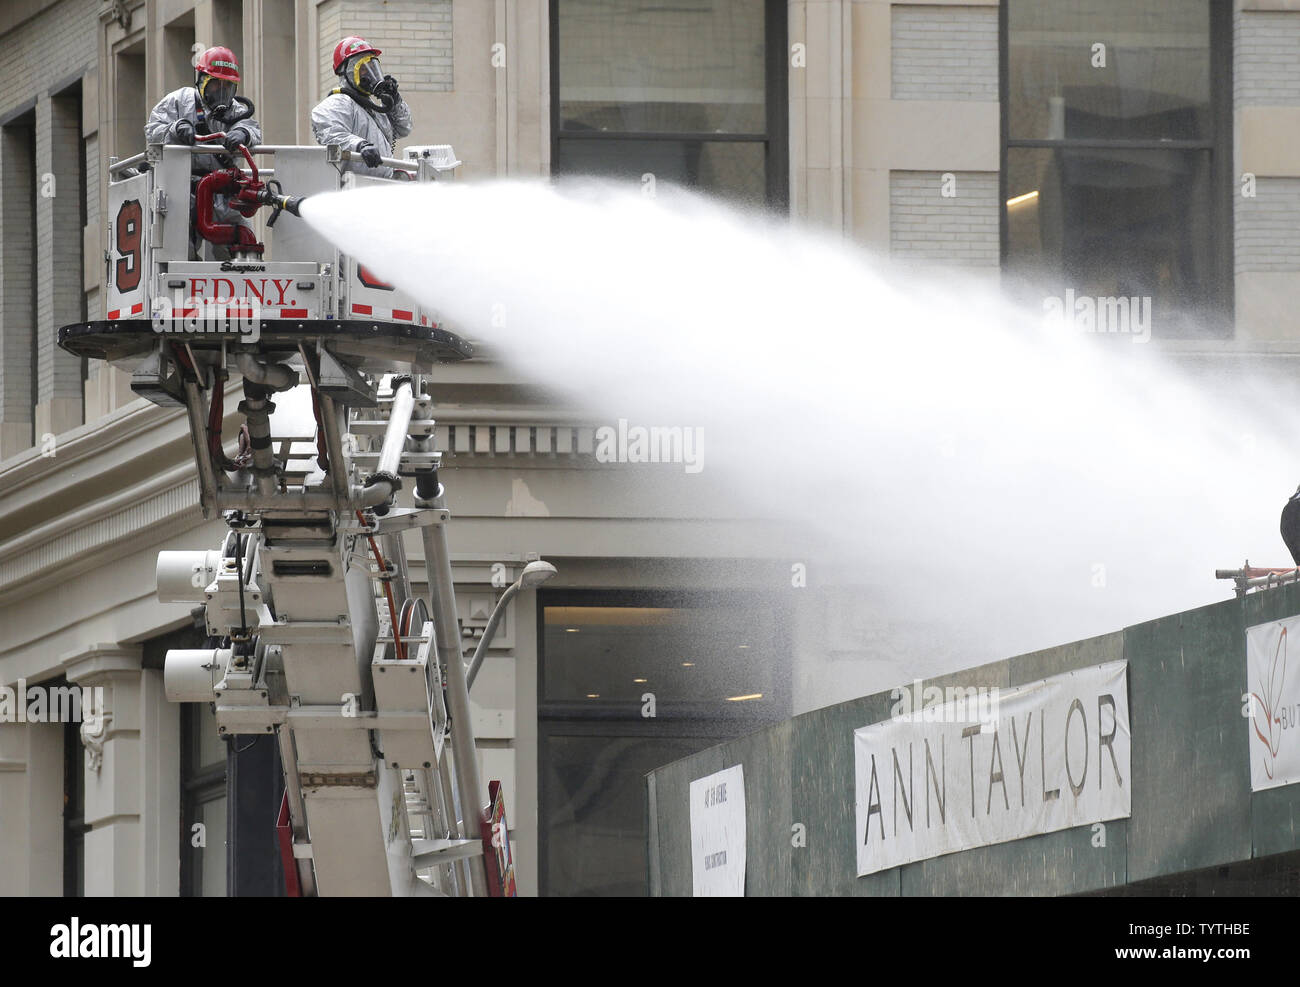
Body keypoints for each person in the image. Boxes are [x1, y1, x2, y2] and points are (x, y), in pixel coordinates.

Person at [144, 46, 263, 257]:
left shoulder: (236, 110)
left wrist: (243, 133)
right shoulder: (179, 101)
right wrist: (176, 128)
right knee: (179, 243)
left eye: (228, 85)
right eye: (216, 84)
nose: (222, 91)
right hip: (183, 188)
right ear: (201, 81)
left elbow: (253, 130)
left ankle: (244, 277)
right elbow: (153, 131)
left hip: (222, 189)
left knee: (245, 238)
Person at [311, 36, 412, 179]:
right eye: (363, 68)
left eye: (372, 66)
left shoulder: (372, 108)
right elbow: (331, 134)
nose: (371, 72)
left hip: (379, 186)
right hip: (352, 188)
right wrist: (361, 146)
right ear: (346, 71)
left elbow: (404, 128)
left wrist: (395, 101)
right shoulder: (338, 103)